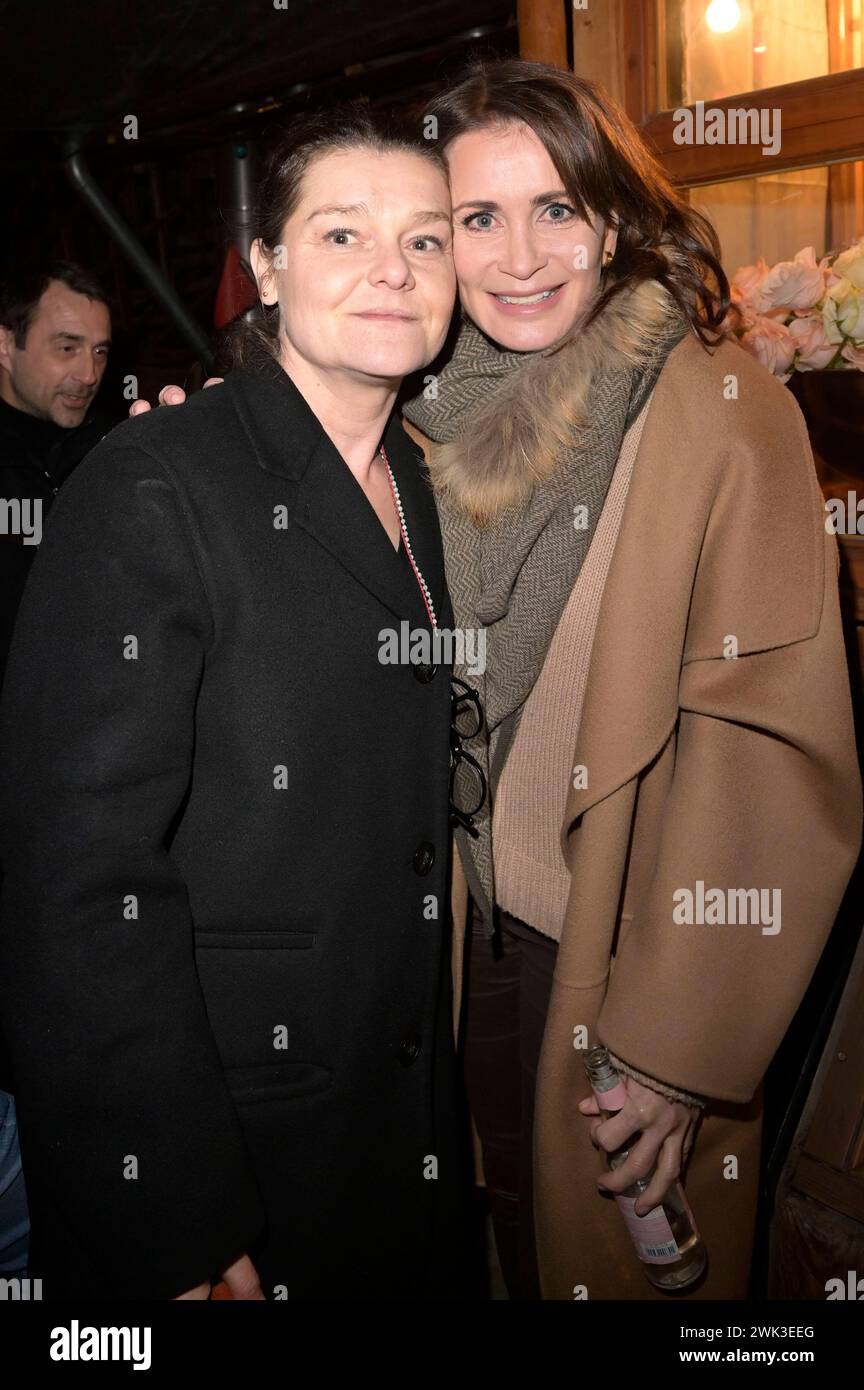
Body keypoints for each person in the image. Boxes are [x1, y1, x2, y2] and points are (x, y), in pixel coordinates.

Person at [137, 59, 862, 1302]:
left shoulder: (716, 407)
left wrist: (680, 1045)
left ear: (614, 219)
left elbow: (770, 741)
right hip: (451, 950)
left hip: (622, 956)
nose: (519, 256)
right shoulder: (413, 414)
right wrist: (215, 452)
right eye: (477, 218)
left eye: (556, 210)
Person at [0, 107, 478, 1300]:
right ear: (265, 264)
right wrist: (170, 1212)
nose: (390, 269)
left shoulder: (420, 477)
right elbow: (80, 879)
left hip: (387, 1108)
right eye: (341, 234)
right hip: (231, 1132)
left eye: (425, 242)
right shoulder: (153, 483)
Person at [0, 260, 113, 688]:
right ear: (6, 346)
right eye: (67, 348)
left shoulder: (116, 449)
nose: (88, 375)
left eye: (100, 351)